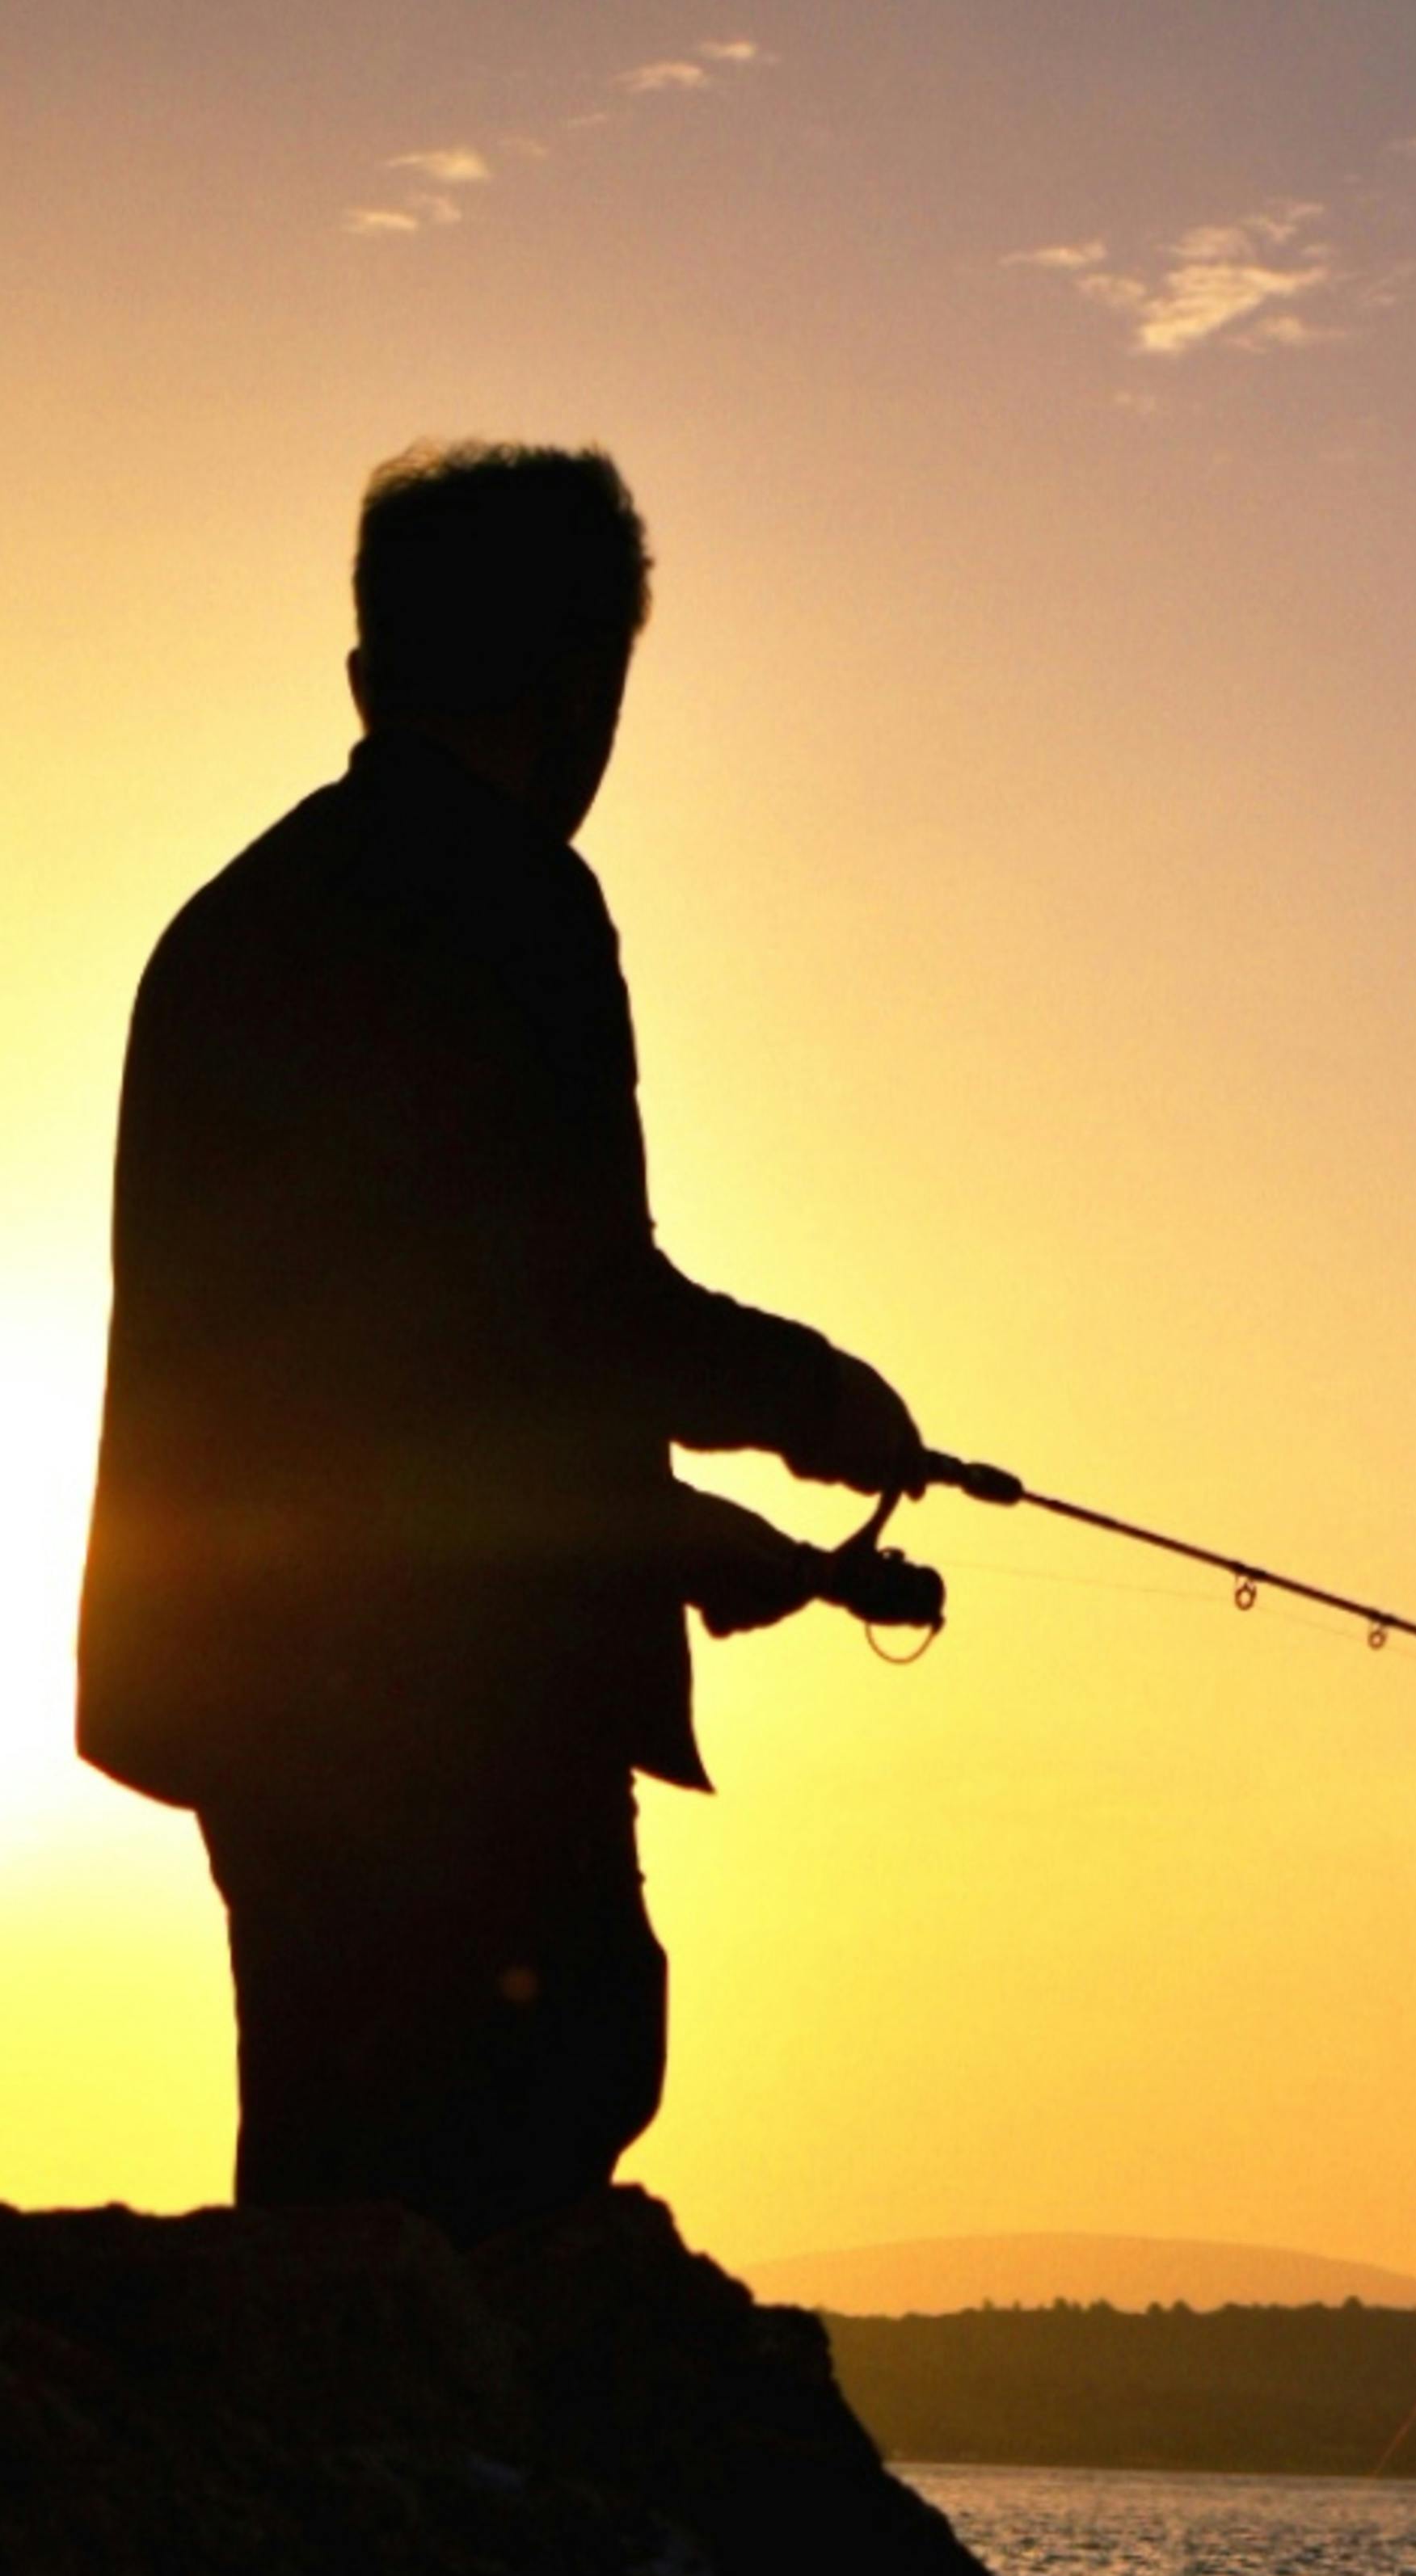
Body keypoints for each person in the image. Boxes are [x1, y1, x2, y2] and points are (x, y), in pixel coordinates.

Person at [77, 440, 936, 2241]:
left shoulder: (228, 929)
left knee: (331, 2168)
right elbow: (573, 1309)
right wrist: (819, 1398)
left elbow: (398, 1366)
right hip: (461, 1710)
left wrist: (688, 1539)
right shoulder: (519, 902)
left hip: (253, 1688)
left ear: (367, 675)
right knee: (550, 2087)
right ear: (586, 688)